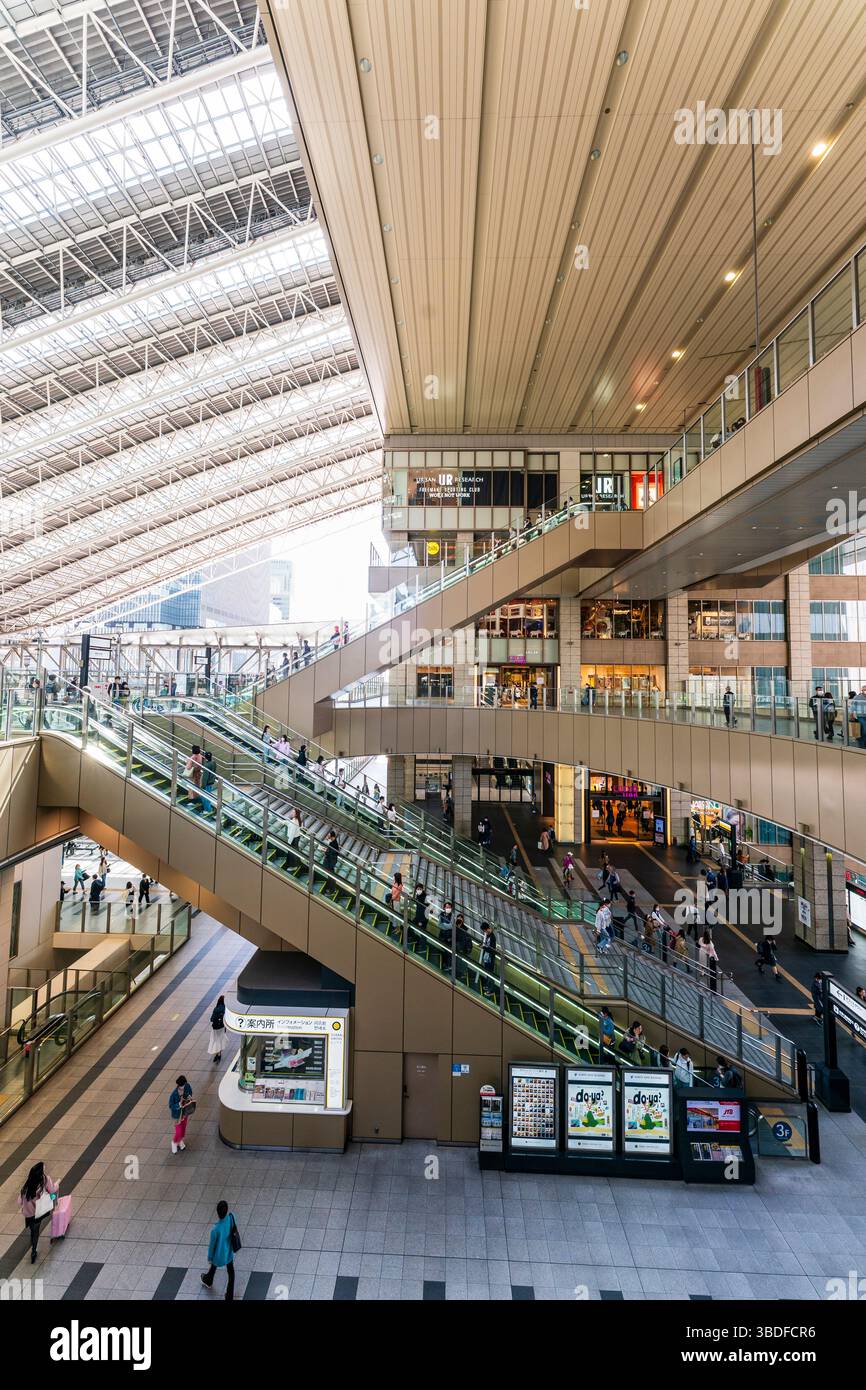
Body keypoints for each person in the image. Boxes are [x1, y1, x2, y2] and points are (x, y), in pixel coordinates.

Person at [18, 1162, 58, 1264]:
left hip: (28, 1214)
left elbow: (19, 1201)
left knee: (33, 1230)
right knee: (36, 1231)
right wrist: (57, 1184)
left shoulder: (26, 1186)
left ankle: (33, 1242)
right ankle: (33, 1252)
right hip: (38, 1212)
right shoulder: (45, 1180)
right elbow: (52, 1190)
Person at [201, 1200, 238, 1301]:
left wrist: (209, 1257)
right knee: (231, 1272)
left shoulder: (215, 1229)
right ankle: (229, 1296)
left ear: (217, 1213)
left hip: (218, 1256)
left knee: (214, 1266)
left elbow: (212, 1246)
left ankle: (208, 1280)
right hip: (229, 1252)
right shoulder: (231, 1218)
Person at [169, 1075, 193, 1154]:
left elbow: (190, 1092)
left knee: (183, 1128)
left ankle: (180, 1140)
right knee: (178, 1131)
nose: (184, 1087)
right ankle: (174, 1142)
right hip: (177, 1115)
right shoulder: (174, 1094)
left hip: (185, 1112)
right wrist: (178, 1104)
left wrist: (189, 1097)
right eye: (182, 1086)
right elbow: (171, 1105)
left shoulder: (187, 1086)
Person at [209, 995, 226, 1063]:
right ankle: (219, 1054)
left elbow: (211, 1019)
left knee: (216, 1041)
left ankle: (217, 1054)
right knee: (220, 1041)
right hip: (221, 1027)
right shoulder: (225, 1008)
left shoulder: (216, 1009)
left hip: (215, 1028)